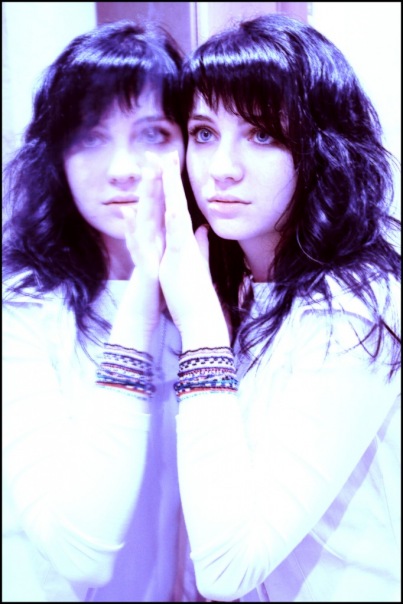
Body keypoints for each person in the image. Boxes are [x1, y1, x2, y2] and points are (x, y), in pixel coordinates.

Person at [152, 13, 401, 602]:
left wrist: (202, 332)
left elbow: (227, 569)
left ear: (318, 149)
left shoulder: (354, 304)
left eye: (262, 135)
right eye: (204, 134)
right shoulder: (240, 282)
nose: (222, 168)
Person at [2, 19, 201, 602]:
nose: (121, 168)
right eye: (90, 137)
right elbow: (78, 553)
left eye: (153, 133)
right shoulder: (23, 307)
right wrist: (142, 291)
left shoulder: (212, 298)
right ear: (57, 156)